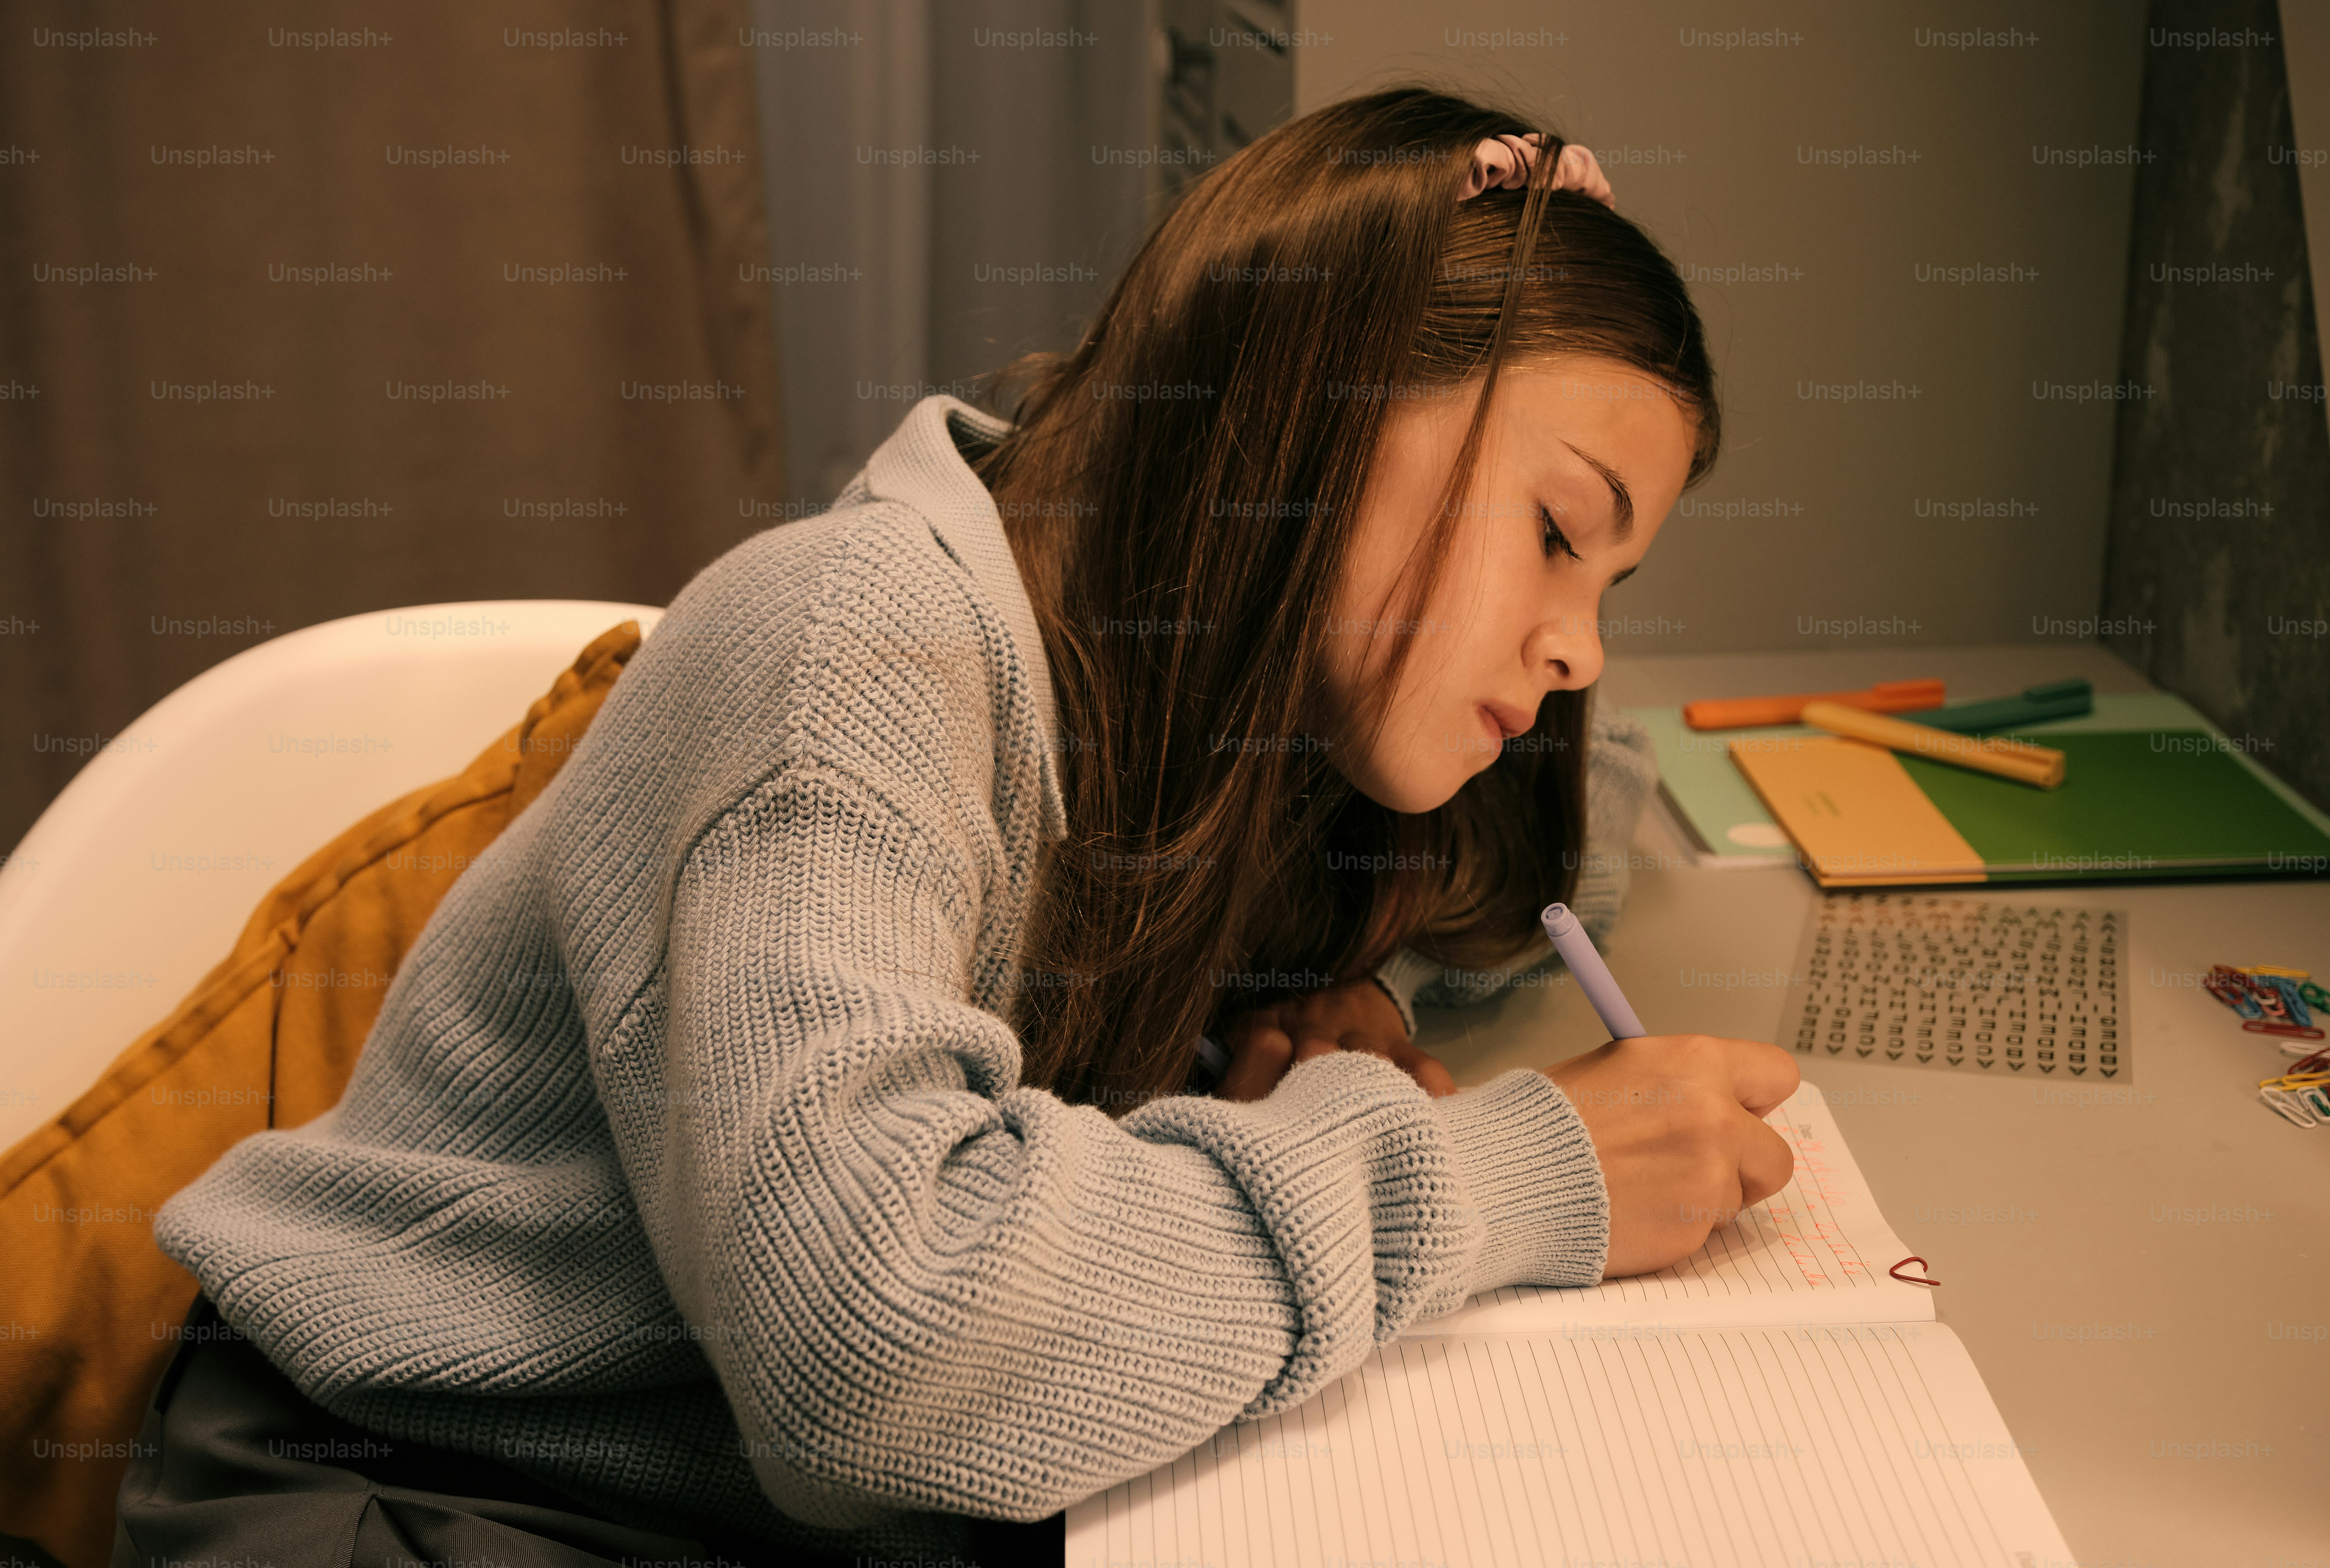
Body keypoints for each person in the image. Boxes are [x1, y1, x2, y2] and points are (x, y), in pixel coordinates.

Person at [113, 85, 1798, 1565]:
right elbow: (876, 1341)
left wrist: (1282, 1021)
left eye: (1615, 583)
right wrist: (1508, 1173)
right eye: (1562, 532)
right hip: (417, 1487)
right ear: (1320, 406)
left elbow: (1570, 844)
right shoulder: (848, 654)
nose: (1582, 644)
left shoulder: (1223, 714)